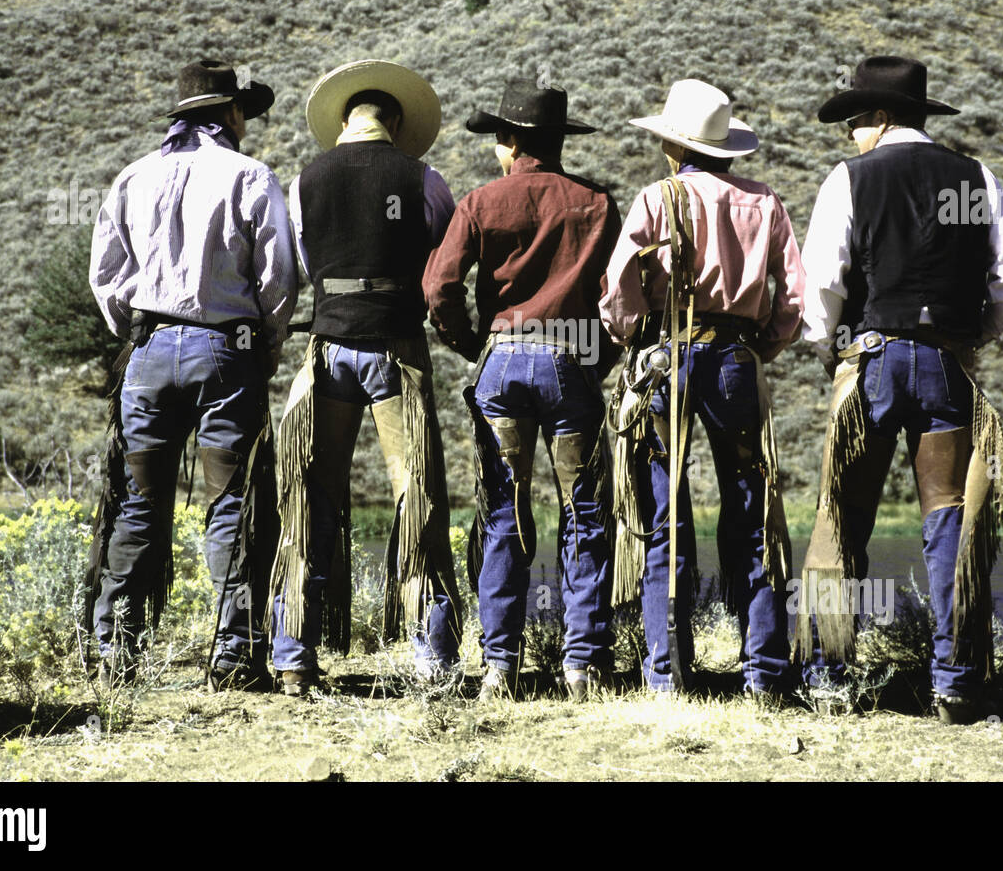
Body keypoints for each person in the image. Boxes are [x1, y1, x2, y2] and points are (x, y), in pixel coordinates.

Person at [796, 56, 1003, 724]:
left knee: (843, 516)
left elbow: (822, 284)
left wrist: (828, 349)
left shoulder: (849, 180)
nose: (849, 135)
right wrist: (972, 336)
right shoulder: (976, 177)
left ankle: (828, 676)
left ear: (879, 117)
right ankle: (955, 682)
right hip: (946, 367)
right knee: (949, 519)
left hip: (871, 362)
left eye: (853, 123)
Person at [87, 59, 297, 691]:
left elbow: (106, 276)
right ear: (229, 115)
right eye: (243, 111)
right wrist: (262, 337)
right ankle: (233, 654)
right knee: (229, 502)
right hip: (224, 351)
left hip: (148, 353)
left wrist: (139, 326)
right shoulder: (251, 175)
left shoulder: (132, 177)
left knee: (139, 502)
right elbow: (279, 277)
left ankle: (112, 647)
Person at [600, 79, 805, 698]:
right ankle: (765, 671)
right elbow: (793, 296)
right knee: (751, 512)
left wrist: (635, 338)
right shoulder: (764, 202)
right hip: (735, 361)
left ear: (672, 146)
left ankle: (669, 673)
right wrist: (758, 345)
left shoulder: (657, 197)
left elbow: (618, 286)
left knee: (666, 516)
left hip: (668, 359)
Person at [270, 60, 463, 696]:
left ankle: (293, 653)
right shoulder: (423, 178)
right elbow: (441, 253)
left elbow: (300, 264)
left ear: (346, 120)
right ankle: (432, 659)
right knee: (417, 494)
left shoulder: (305, 181)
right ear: (397, 123)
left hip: (326, 349)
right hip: (399, 350)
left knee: (309, 495)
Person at [423, 81, 622, 700]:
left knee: (502, 511)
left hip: (503, 365)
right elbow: (621, 299)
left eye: (498, 141)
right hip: (571, 364)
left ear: (510, 141)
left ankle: (500, 665)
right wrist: (602, 358)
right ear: (557, 141)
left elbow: (439, 289)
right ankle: (582, 665)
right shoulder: (596, 203)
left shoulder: (482, 202)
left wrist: (473, 345)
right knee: (583, 513)